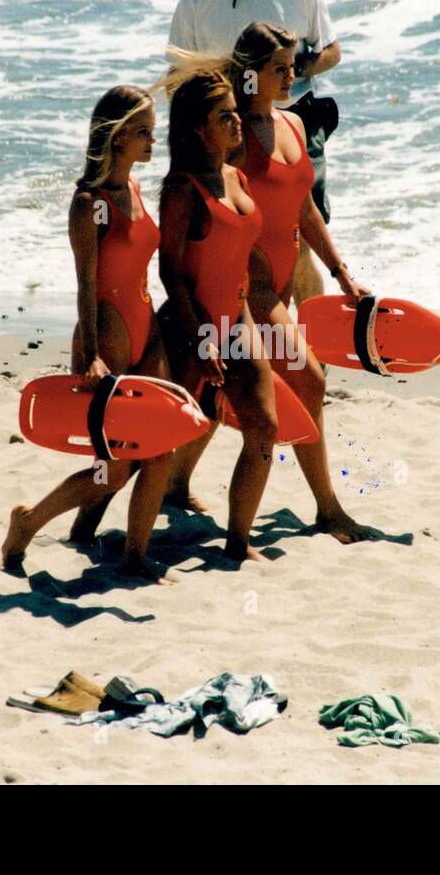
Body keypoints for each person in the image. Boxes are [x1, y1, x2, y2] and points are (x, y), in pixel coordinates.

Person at [166, 24, 380, 544]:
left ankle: (173, 483)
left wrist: (340, 273)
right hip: (250, 293)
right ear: (250, 75)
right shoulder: (232, 139)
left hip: (284, 285)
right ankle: (327, 507)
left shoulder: (289, 123)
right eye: (279, 69)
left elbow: (304, 208)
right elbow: (202, 205)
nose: (291, 76)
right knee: (309, 379)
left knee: (221, 393)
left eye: (292, 66)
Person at [1, 87, 178, 584]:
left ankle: (135, 556)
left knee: (159, 444)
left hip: (147, 326)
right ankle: (29, 521)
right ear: (118, 136)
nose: (151, 137)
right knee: (116, 468)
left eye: (152, 128)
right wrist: (93, 353)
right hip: (111, 331)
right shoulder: (89, 203)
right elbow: (86, 283)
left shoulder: (137, 190)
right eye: (142, 130)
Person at [169, 0, 341, 307]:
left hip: (293, 121)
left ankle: (307, 341)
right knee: (231, 241)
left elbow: (331, 50)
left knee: (296, 241)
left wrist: (296, 68)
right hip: (225, 129)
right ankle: (245, 341)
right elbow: (180, 75)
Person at [155, 69, 279, 563]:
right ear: (197, 129)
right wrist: (203, 337)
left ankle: (238, 542)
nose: (235, 121)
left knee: (264, 427)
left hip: (239, 320)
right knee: (157, 444)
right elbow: (170, 274)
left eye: (234, 111)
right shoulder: (183, 190)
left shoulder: (235, 176)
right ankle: (89, 524)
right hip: (190, 327)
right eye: (223, 115)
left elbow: (242, 253)